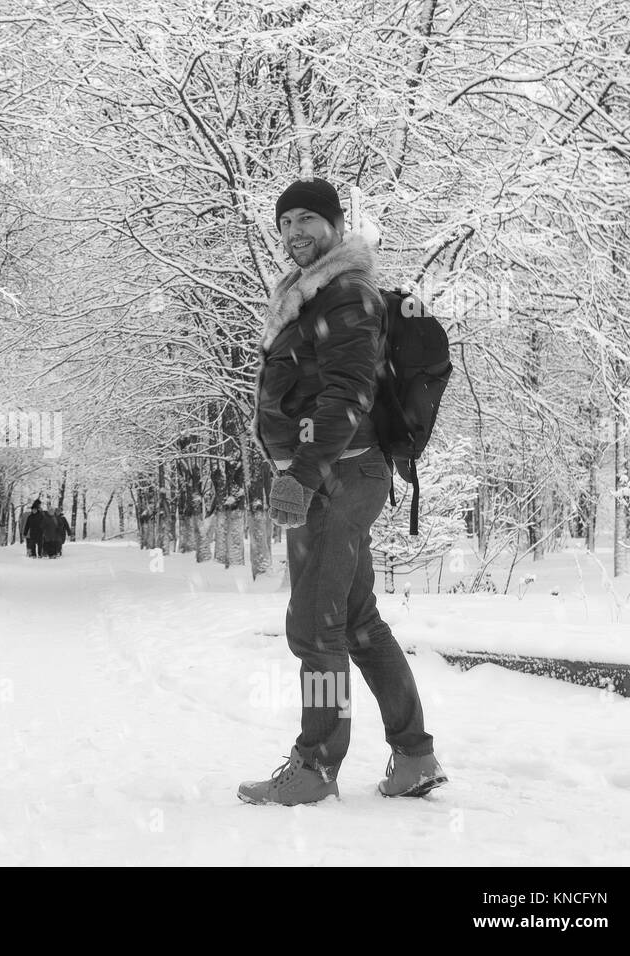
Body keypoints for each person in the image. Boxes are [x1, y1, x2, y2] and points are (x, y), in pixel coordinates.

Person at [238, 177, 447, 806]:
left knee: (313, 627)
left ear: (333, 226)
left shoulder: (346, 296)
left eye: (309, 219)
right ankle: (415, 756)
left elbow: (348, 393)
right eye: (287, 222)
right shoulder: (317, 293)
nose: (296, 231)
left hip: (335, 475)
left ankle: (315, 765)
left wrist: (299, 476)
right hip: (337, 473)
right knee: (358, 623)